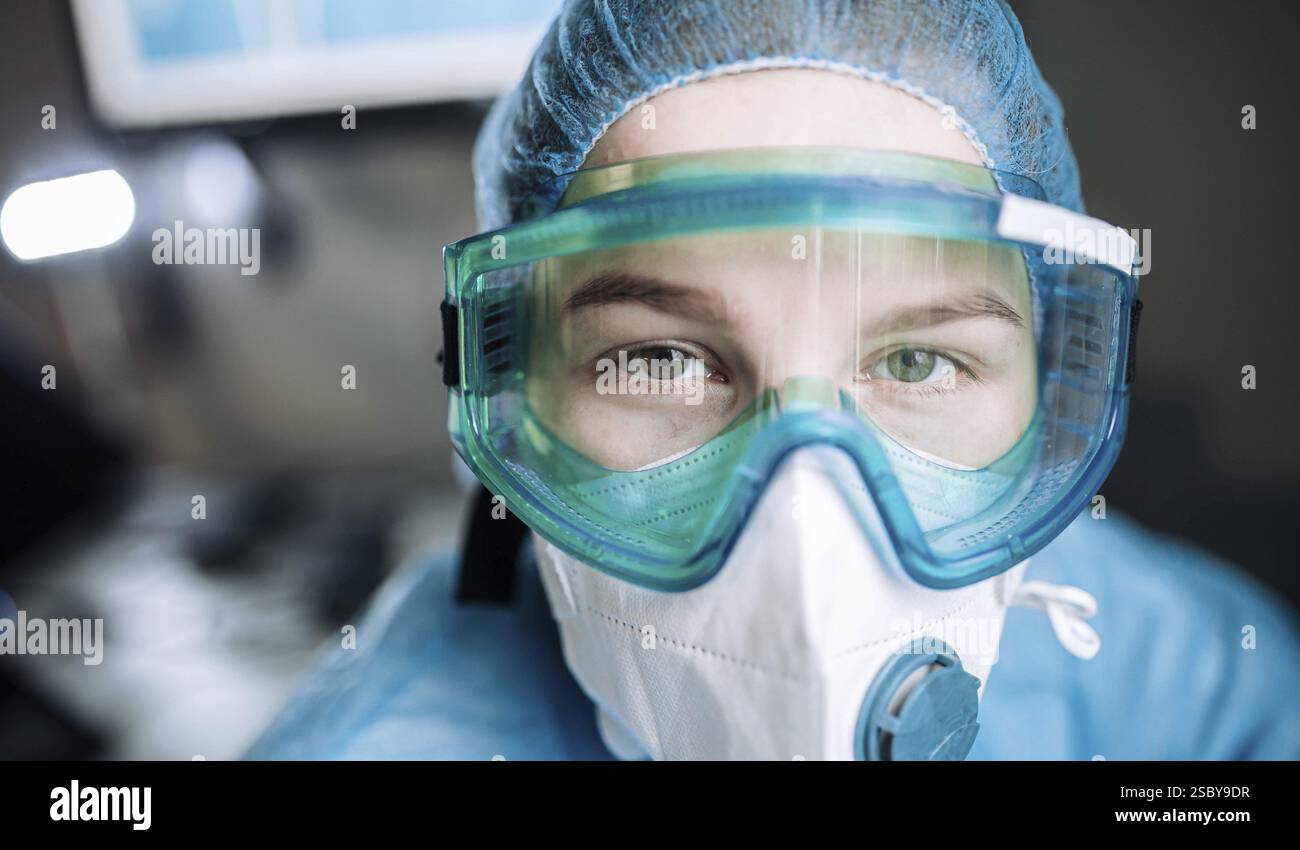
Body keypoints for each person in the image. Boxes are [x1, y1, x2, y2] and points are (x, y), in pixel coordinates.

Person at [246, 0, 1300, 760]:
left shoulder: (1178, 674)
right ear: (514, 410)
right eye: (660, 359)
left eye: (917, 360)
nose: (803, 531)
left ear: (1037, 401)